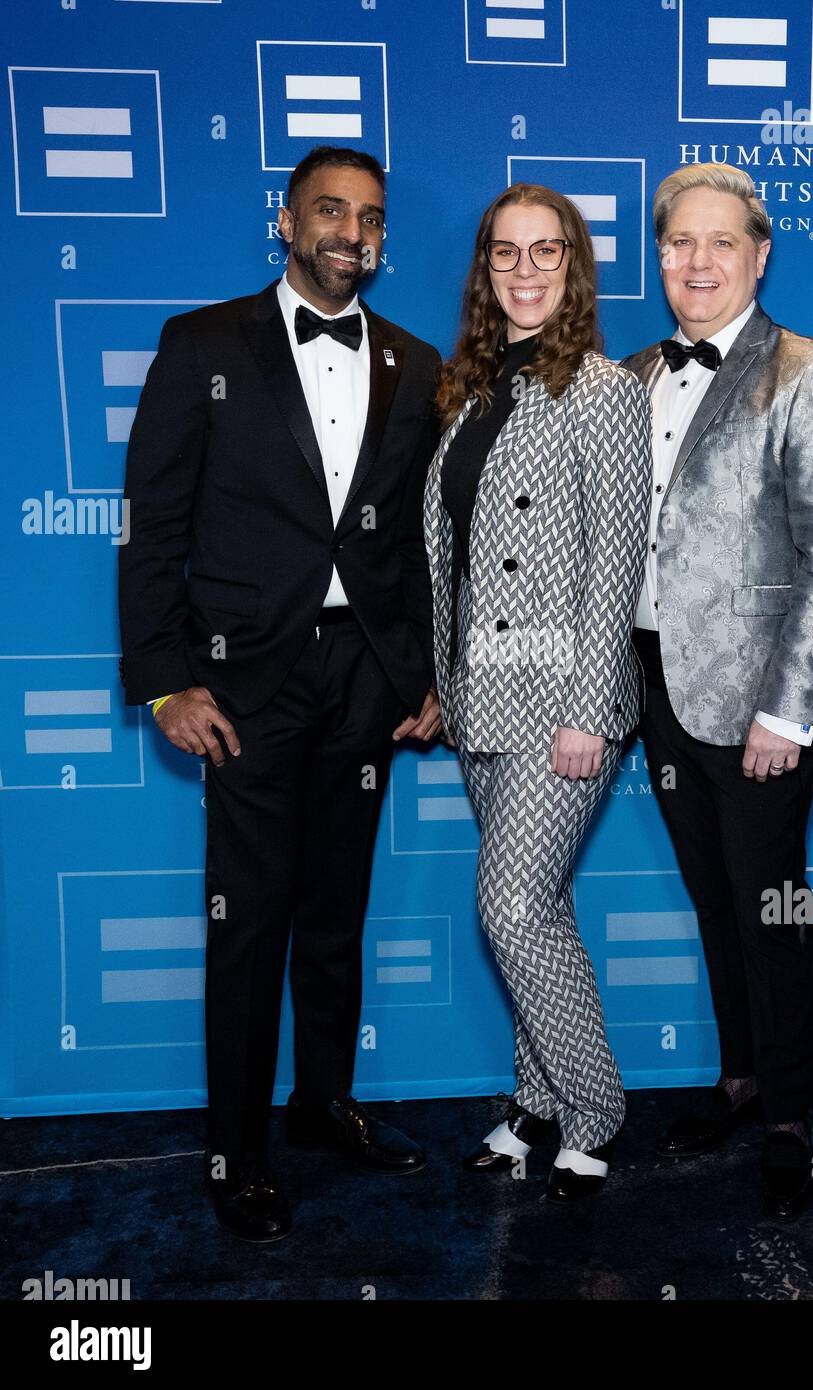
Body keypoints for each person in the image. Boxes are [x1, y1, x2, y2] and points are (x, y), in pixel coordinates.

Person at [118, 145, 442, 1242]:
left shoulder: (415, 362)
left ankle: (322, 1107)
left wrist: (423, 672)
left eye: (371, 217)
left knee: (334, 913)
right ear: (288, 221)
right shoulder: (204, 343)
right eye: (330, 211)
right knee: (247, 924)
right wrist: (164, 683)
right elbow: (153, 527)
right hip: (245, 677)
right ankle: (236, 1149)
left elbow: (414, 545)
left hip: (365, 677)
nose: (352, 230)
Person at [622, 163, 813, 1219]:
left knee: (771, 903)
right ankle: (737, 1077)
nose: (696, 261)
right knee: (716, 900)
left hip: (760, 701)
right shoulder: (627, 372)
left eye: (719, 242)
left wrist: (787, 707)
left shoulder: (808, 371)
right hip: (652, 685)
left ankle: (786, 1113)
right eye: (678, 242)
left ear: (759, 253)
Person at [425, 184, 652, 1201]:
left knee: (511, 906)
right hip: (481, 698)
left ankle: (593, 1107)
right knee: (539, 911)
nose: (524, 271)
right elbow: (457, 561)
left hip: (562, 697)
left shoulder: (601, 390)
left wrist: (588, 707)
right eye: (504, 253)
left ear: (573, 267)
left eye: (544, 251)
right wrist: (443, 684)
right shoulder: (470, 392)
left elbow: (616, 560)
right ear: (485, 270)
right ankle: (535, 1102)